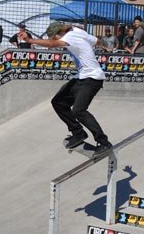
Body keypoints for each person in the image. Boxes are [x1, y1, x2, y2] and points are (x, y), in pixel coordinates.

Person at [17, 21, 112, 154]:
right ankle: (78, 133)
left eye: (54, 37)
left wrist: (29, 39)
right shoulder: (79, 32)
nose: (55, 41)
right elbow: (96, 41)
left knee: (79, 111)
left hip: (92, 78)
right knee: (58, 102)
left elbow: (51, 44)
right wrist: (106, 47)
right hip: (81, 77)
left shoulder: (69, 36)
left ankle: (104, 142)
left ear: (59, 33)